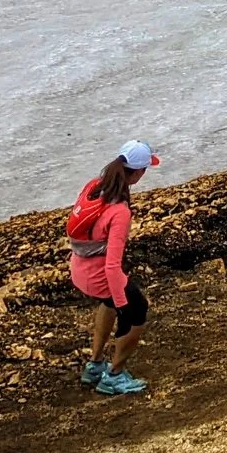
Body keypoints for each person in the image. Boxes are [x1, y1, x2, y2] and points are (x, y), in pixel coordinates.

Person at [69, 141, 159, 396]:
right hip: (100, 275)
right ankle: (114, 376)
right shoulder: (120, 211)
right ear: (139, 172)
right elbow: (112, 264)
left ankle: (95, 365)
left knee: (108, 303)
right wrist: (123, 303)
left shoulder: (94, 186)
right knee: (136, 311)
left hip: (79, 269)